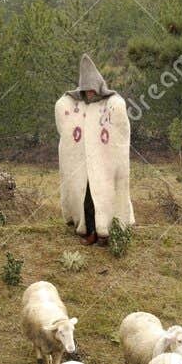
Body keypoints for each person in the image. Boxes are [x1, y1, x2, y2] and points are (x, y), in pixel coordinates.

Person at [55, 54, 134, 246]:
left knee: (107, 196)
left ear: (98, 87)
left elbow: (119, 134)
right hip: (84, 165)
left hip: (105, 164)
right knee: (87, 199)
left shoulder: (112, 103)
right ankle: (91, 232)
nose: (89, 94)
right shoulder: (74, 105)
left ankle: (106, 232)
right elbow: (69, 134)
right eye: (86, 90)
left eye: (92, 90)